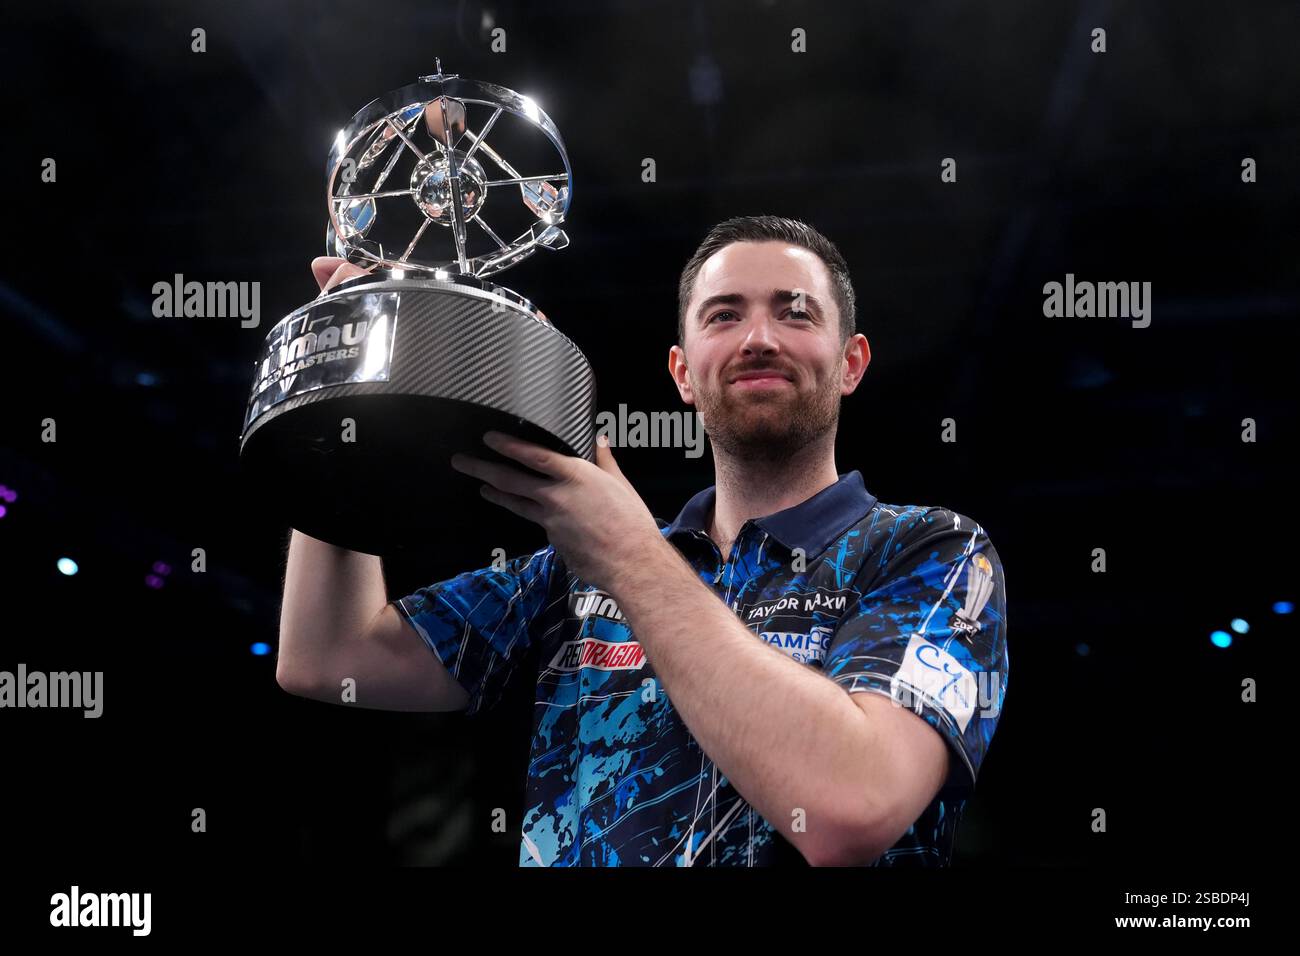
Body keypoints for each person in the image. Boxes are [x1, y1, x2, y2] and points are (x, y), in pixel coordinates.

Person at [277, 215, 1009, 867]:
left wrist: (629, 557)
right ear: (683, 374)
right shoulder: (576, 567)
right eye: (724, 316)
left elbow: (852, 809)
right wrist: (346, 432)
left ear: (851, 362)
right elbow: (329, 656)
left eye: (795, 313)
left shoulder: (931, 551)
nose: (758, 338)